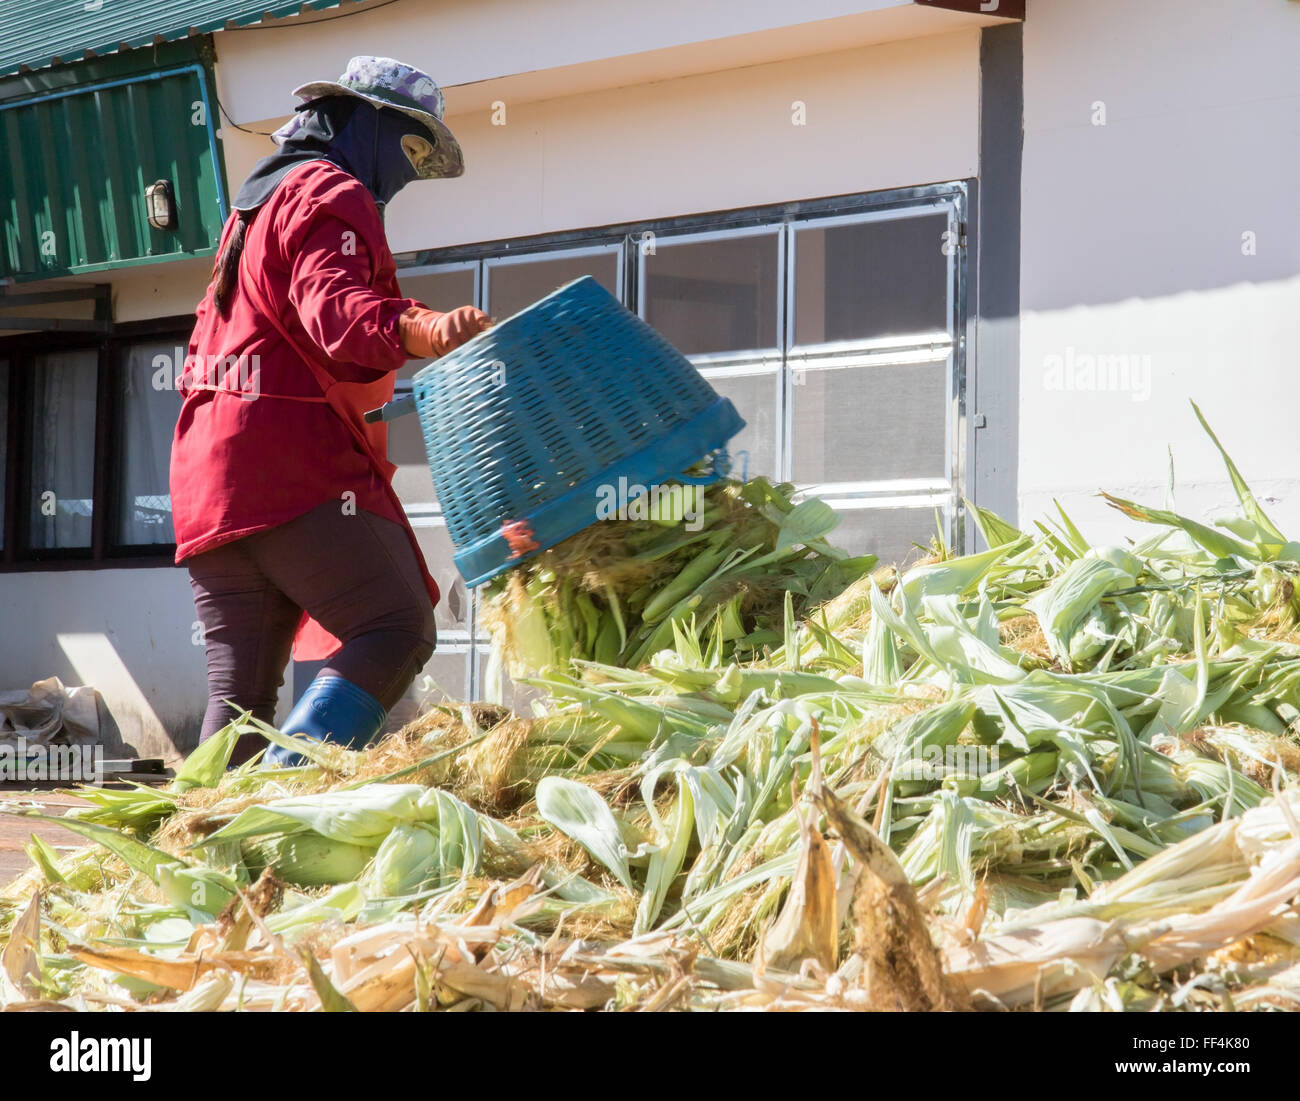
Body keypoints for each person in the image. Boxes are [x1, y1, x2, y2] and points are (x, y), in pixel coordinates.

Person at [168, 57, 489, 767]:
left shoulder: (251, 212)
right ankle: (291, 792)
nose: (407, 176)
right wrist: (424, 329)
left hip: (207, 479)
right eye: (410, 150)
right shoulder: (330, 191)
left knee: (238, 699)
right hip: (286, 465)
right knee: (399, 623)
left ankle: (203, 850)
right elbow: (336, 313)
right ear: (366, 124)